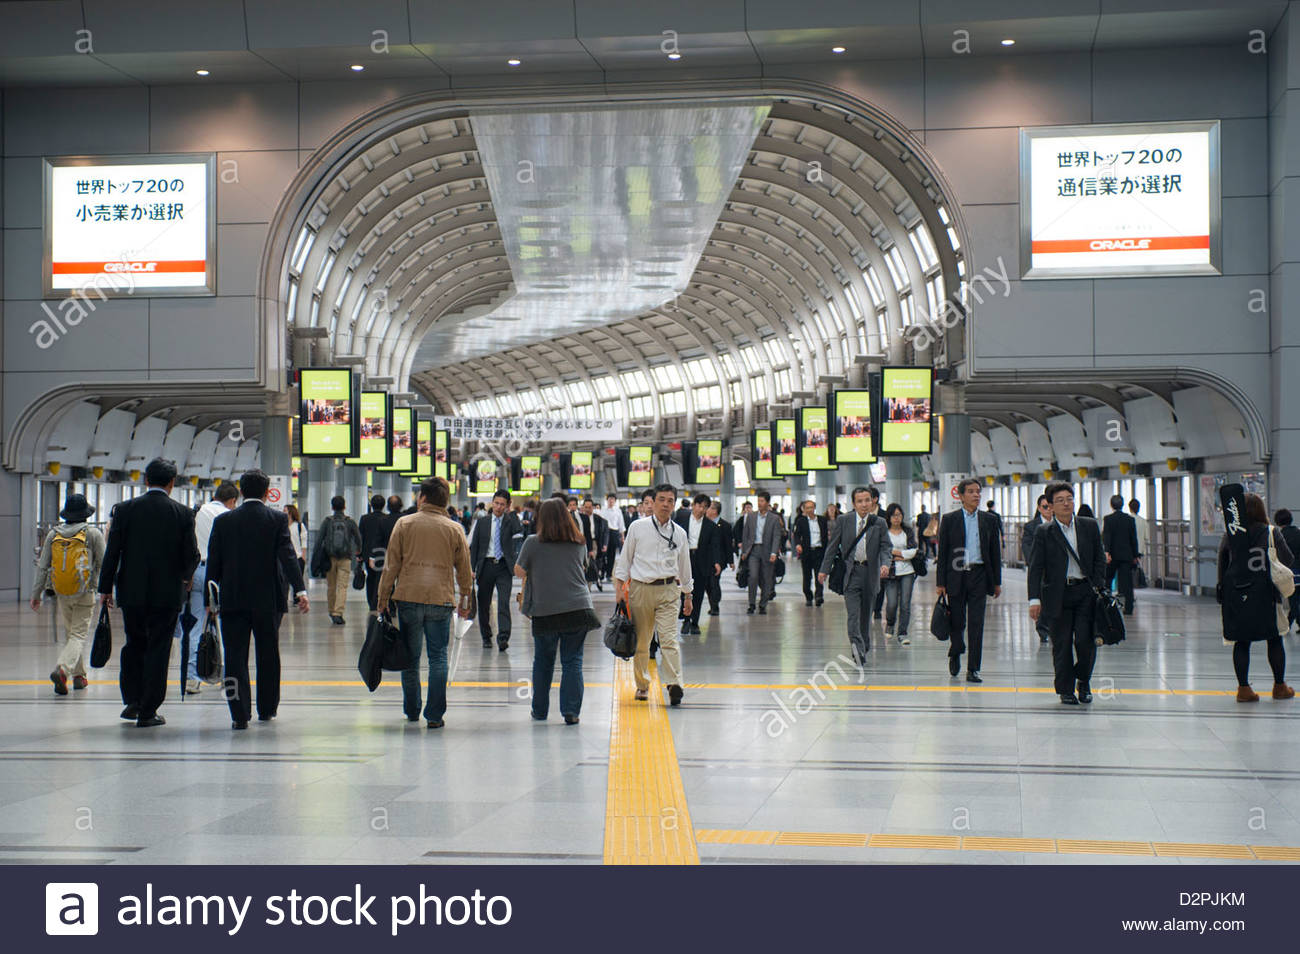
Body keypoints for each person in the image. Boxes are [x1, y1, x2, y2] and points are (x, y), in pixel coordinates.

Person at [97, 458, 201, 728]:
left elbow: (113, 552)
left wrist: (105, 588)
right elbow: (191, 554)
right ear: (172, 483)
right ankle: (148, 710)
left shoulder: (125, 510)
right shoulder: (182, 513)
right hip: (167, 595)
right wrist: (185, 577)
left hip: (131, 592)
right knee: (159, 647)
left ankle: (132, 701)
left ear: (145, 480)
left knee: (134, 644)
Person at [206, 469, 309, 729]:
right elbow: (288, 556)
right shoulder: (276, 519)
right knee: (268, 654)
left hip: (233, 599)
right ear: (266, 493)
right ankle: (266, 709)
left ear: (241, 491)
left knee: (235, 657)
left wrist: (211, 599)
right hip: (268, 599)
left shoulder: (224, 521)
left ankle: (239, 715)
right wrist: (300, 591)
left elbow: (214, 563)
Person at [378, 476, 473, 728]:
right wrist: (465, 598)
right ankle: (434, 715)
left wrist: (382, 598)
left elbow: (391, 566)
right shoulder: (455, 529)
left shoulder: (404, 524)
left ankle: (411, 709)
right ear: (445, 500)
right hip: (441, 599)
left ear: (422, 498)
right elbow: (465, 569)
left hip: (408, 597)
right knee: (438, 657)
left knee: (410, 656)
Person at [515, 498, 601, 725]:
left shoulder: (533, 542)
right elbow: (582, 567)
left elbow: (518, 571)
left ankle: (540, 711)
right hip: (578, 607)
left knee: (543, 661)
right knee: (573, 661)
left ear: (541, 518)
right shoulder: (579, 541)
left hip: (545, 610)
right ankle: (571, 712)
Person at [1027, 482, 1106, 705]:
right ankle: (1065, 689)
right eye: (1060, 500)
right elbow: (1036, 568)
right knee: (1061, 644)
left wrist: (1098, 585)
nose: (1066, 504)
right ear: (1051, 506)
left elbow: (1099, 558)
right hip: (1057, 594)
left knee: (1085, 641)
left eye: (1069, 499)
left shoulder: (1089, 526)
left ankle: (1084, 680)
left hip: (1085, 592)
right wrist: (1034, 599)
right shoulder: (1044, 532)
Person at [615, 483, 692, 705]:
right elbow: (625, 559)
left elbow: (685, 566)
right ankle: (642, 684)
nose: (665, 504)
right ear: (653, 502)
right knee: (642, 642)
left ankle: (674, 684)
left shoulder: (680, 533)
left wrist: (688, 595)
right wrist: (620, 589)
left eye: (670, 500)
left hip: (669, 590)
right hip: (641, 589)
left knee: (669, 640)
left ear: (674, 504)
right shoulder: (638, 528)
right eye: (661, 499)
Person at [1218, 493, 1295, 703]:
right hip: (1267, 595)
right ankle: (1279, 687)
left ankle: (1244, 690)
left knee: (1241, 642)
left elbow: (1222, 565)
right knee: (1275, 638)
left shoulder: (1230, 534)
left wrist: (1223, 592)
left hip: (1237, 595)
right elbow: (1287, 558)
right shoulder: (1271, 532)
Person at [31, 493, 106, 696]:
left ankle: (79, 677)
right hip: (85, 591)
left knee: (72, 633)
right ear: (85, 514)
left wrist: (36, 593)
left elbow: (43, 566)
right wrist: (106, 590)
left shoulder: (53, 534)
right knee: (79, 634)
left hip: (62, 591)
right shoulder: (92, 533)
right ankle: (63, 669)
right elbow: (104, 563)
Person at [171, 482, 239, 694]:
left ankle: (191, 678)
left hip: (193, 573)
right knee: (223, 626)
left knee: (193, 626)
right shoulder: (228, 517)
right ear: (232, 501)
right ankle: (223, 674)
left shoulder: (196, 513)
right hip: (217, 574)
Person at [935, 477, 1003, 683]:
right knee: (957, 621)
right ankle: (956, 651)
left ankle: (974, 668)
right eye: (971, 491)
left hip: (979, 575)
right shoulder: (950, 519)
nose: (976, 495)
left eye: (978, 491)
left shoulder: (989, 520)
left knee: (976, 623)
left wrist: (997, 582)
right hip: (956, 574)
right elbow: (944, 552)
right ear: (962, 496)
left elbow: (994, 552)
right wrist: (941, 582)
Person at [818, 487, 891, 663]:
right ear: (853, 504)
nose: (864, 504)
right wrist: (824, 570)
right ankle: (857, 648)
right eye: (860, 501)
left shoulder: (879, 522)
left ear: (872, 501)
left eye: (867, 500)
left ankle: (863, 643)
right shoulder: (844, 520)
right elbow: (832, 547)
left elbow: (886, 546)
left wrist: (885, 564)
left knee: (866, 615)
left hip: (871, 573)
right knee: (853, 615)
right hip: (851, 573)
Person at [468, 489, 524, 650]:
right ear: (492, 503)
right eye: (496, 503)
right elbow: (475, 547)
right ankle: (486, 636)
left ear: (507, 506)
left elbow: (519, 532)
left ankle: (503, 638)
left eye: (502, 505)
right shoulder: (482, 522)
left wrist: (512, 513)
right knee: (483, 604)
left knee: (503, 603)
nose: (498, 507)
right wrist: (472, 569)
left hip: (504, 567)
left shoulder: (510, 521)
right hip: (485, 566)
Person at [674, 494, 724, 634]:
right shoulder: (681, 520)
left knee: (699, 592)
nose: (701, 509)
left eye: (705, 507)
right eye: (699, 506)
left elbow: (714, 546)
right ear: (693, 505)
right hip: (685, 558)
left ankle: (695, 622)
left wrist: (716, 562)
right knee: (685, 590)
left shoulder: (710, 526)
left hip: (702, 560)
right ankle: (686, 620)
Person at [312, 496, 361, 626]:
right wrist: (358, 551)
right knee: (342, 587)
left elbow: (318, 541)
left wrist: (315, 559)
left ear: (332, 507)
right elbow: (358, 538)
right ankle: (338, 613)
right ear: (344, 507)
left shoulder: (327, 522)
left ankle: (331, 610)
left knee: (331, 586)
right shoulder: (349, 522)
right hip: (345, 558)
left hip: (330, 558)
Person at [740, 490, 785, 614]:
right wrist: (744, 551)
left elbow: (777, 536)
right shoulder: (751, 516)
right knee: (753, 577)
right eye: (758, 501)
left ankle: (763, 604)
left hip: (767, 550)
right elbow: (746, 534)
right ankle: (751, 604)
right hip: (753, 550)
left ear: (767, 502)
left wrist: (774, 553)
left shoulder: (774, 518)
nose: (759, 503)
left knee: (767, 578)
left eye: (762, 501)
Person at [881, 502, 919, 645]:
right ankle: (890, 623)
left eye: (899, 515)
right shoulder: (884, 532)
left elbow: (914, 551)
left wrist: (897, 554)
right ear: (889, 517)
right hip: (890, 572)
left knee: (905, 603)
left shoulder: (908, 531)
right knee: (891, 603)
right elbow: (884, 550)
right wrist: (902, 554)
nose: (897, 518)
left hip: (908, 571)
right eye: (894, 515)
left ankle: (902, 633)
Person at [1021, 494, 1054, 643]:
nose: (1048, 510)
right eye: (1045, 507)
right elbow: (1027, 547)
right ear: (1039, 508)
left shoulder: (1060, 524)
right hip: (1039, 570)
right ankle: (1043, 630)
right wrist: (1034, 563)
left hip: (1057, 570)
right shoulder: (1031, 526)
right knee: (1040, 598)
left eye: (1050, 506)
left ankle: (1055, 628)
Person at [1102, 493, 1140, 616]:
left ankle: (1106, 604)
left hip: (1112, 555)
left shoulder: (1108, 519)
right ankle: (1128, 608)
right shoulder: (1129, 520)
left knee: (1108, 580)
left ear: (1111, 505)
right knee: (1127, 583)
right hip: (1126, 555)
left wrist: (1107, 552)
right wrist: (1135, 555)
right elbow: (1133, 539)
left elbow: (1106, 537)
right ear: (1123, 505)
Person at [358, 494, 394, 616]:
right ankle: (378, 600)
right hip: (382, 553)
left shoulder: (364, 518)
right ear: (384, 506)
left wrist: (360, 554)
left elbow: (360, 536)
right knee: (381, 577)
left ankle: (371, 603)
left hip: (368, 553)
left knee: (371, 577)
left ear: (371, 505)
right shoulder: (386, 519)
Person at [792, 499, 829, 607]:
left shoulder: (822, 520)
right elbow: (797, 535)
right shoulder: (801, 521)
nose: (809, 510)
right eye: (807, 508)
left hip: (819, 551)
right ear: (804, 509)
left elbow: (825, 536)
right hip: (807, 552)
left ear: (814, 508)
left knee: (819, 575)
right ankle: (808, 596)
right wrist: (798, 544)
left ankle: (819, 596)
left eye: (811, 507)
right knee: (807, 576)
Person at [576, 497, 609, 592]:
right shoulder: (579, 518)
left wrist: (604, 544)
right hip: (582, 542)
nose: (587, 509)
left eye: (589, 507)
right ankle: (587, 582)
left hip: (594, 543)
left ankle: (588, 586)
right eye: (585, 507)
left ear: (593, 508)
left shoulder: (599, 519)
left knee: (590, 563)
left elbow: (605, 532)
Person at [1275, 509, 1300, 628]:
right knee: (1297, 600)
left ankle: (1287, 625)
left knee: (1293, 602)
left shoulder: (1280, 536)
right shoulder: (1298, 532)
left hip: (1289, 573)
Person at [705, 501, 731, 616]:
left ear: (715, 511)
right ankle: (713, 603)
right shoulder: (703, 523)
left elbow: (728, 544)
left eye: (709, 508)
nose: (706, 510)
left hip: (719, 559)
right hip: (706, 559)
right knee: (708, 584)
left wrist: (730, 561)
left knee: (714, 582)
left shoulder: (724, 525)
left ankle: (715, 606)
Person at [599, 493, 624, 582]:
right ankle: (602, 573)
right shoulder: (603, 510)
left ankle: (609, 574)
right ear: (607, 500)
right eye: (609, 499)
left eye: (613, 499)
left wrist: (622, 537)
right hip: (604, 533)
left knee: (612, 555)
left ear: (615, 501)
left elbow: (621, 525)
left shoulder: (618, 511)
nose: (611, 501)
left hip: (614, 533)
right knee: (603, 554)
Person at [285, 503, 307, 576]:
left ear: (291, 513)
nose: (283, 513)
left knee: (298, 583)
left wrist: (303, 557)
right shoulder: (282, 526)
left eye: (285, 511)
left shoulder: (299, 526)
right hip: (285, 559)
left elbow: (304, 541)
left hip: (297, 558)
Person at [1129, 499, 1149, 575]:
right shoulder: (1143, 521)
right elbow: (1147, 537)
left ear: (1129, 508)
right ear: (1139, 508)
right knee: (1136, 567)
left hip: (1129, 549)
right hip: (1139, 550)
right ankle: (1136, 581)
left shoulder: (1127, 519)